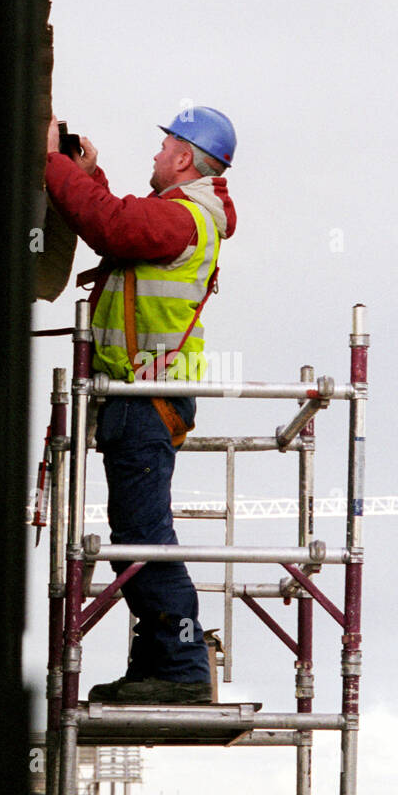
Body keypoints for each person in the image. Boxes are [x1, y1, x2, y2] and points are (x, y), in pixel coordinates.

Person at [44, 108, 237, 703]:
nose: (154, 156)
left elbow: (115, 229)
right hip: (141, 396)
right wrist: (87, 176)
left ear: (184, 157)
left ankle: (180, 669)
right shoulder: (181, 216)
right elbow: (121, 222)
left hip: (145, 396)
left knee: (145, 538)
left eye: (163, 147)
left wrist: (51, 162)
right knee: (136, 535)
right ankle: (156, 668)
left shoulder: (185, 216)